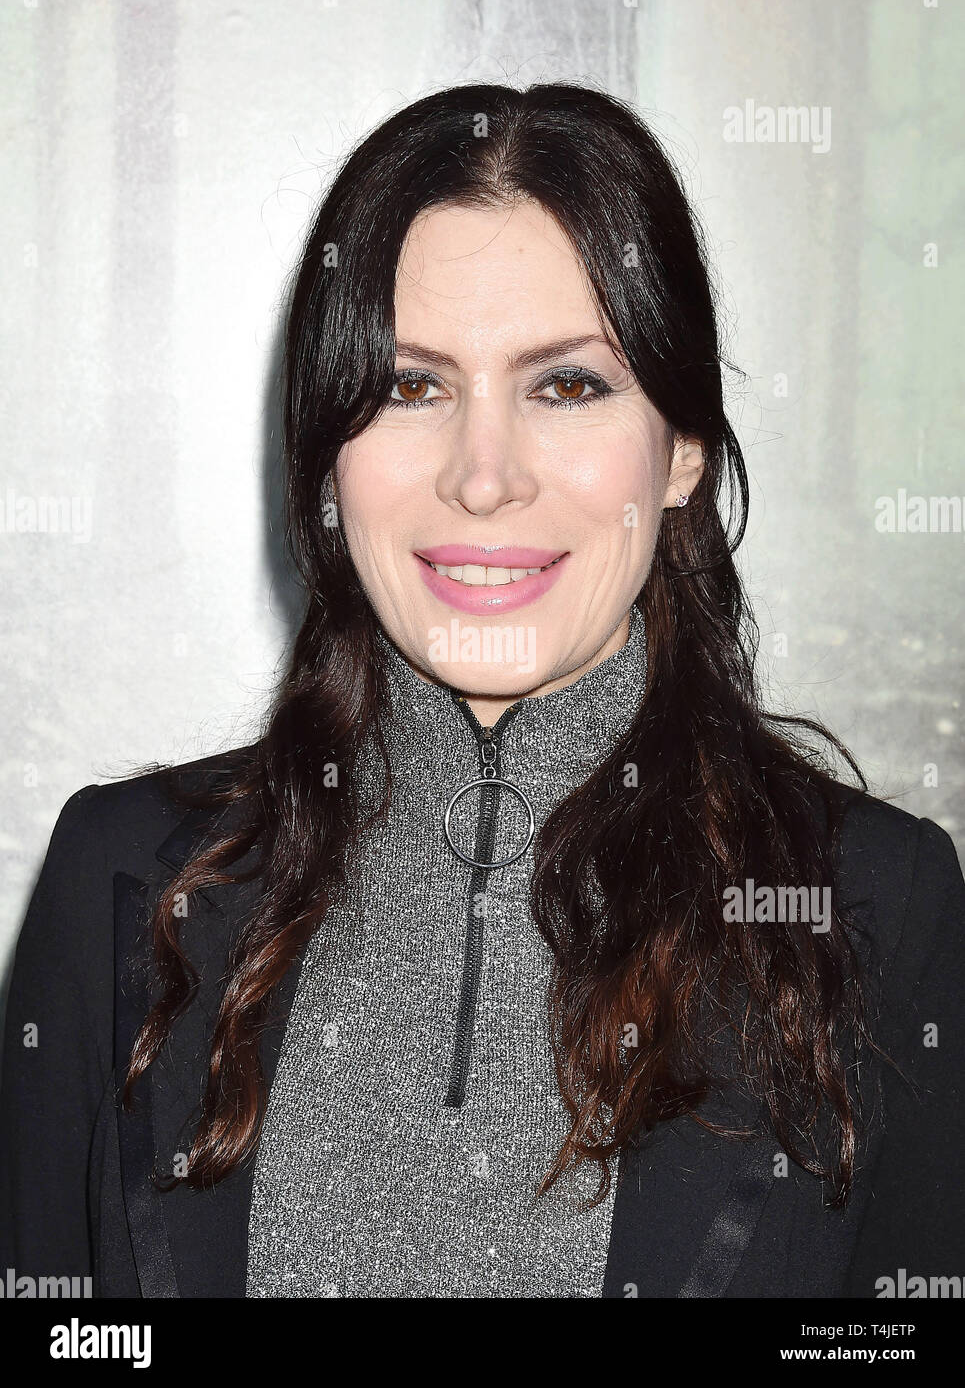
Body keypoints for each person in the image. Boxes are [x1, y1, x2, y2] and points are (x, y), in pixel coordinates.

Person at [2, 81, 963, 1299]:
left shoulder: (875, 904)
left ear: (680, 451)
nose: (483, 476)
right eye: (412, 386)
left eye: (566, 385)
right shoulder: (119, 883)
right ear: (324, 458)